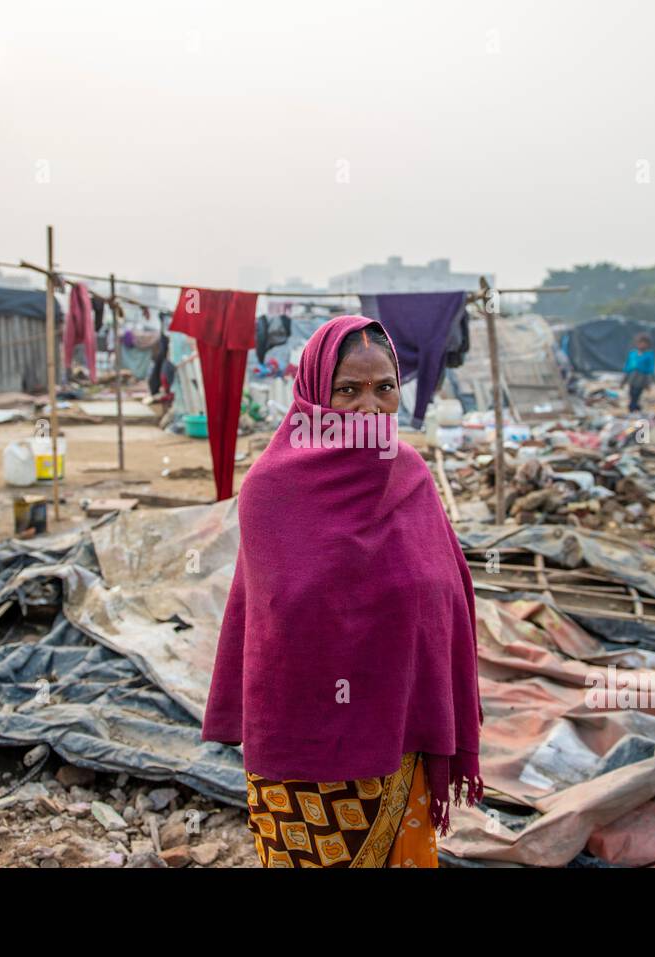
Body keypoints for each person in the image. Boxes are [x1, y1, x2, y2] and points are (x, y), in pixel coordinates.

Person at [201, 315, 484, 868]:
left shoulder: (411, 476)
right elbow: (283, 621)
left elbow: (445, 597)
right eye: (348, 391)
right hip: (304, 750)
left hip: (400, 732)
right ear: (312, 395)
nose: (370, 408)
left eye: (384, 389)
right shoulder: (272, 487)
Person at [622, 333, 655, 413]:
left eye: (644, 343)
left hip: (642, 377)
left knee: (637, 393)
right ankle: (635, 407)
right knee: (631, 392)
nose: (642, 345)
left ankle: (632, 407)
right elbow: (628, 366)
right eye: (640, 343)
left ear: (648, 344)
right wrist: (623, 380)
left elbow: (650, 368)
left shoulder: (649, 355)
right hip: (632, 376)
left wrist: (648, 383)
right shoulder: (633, 353)